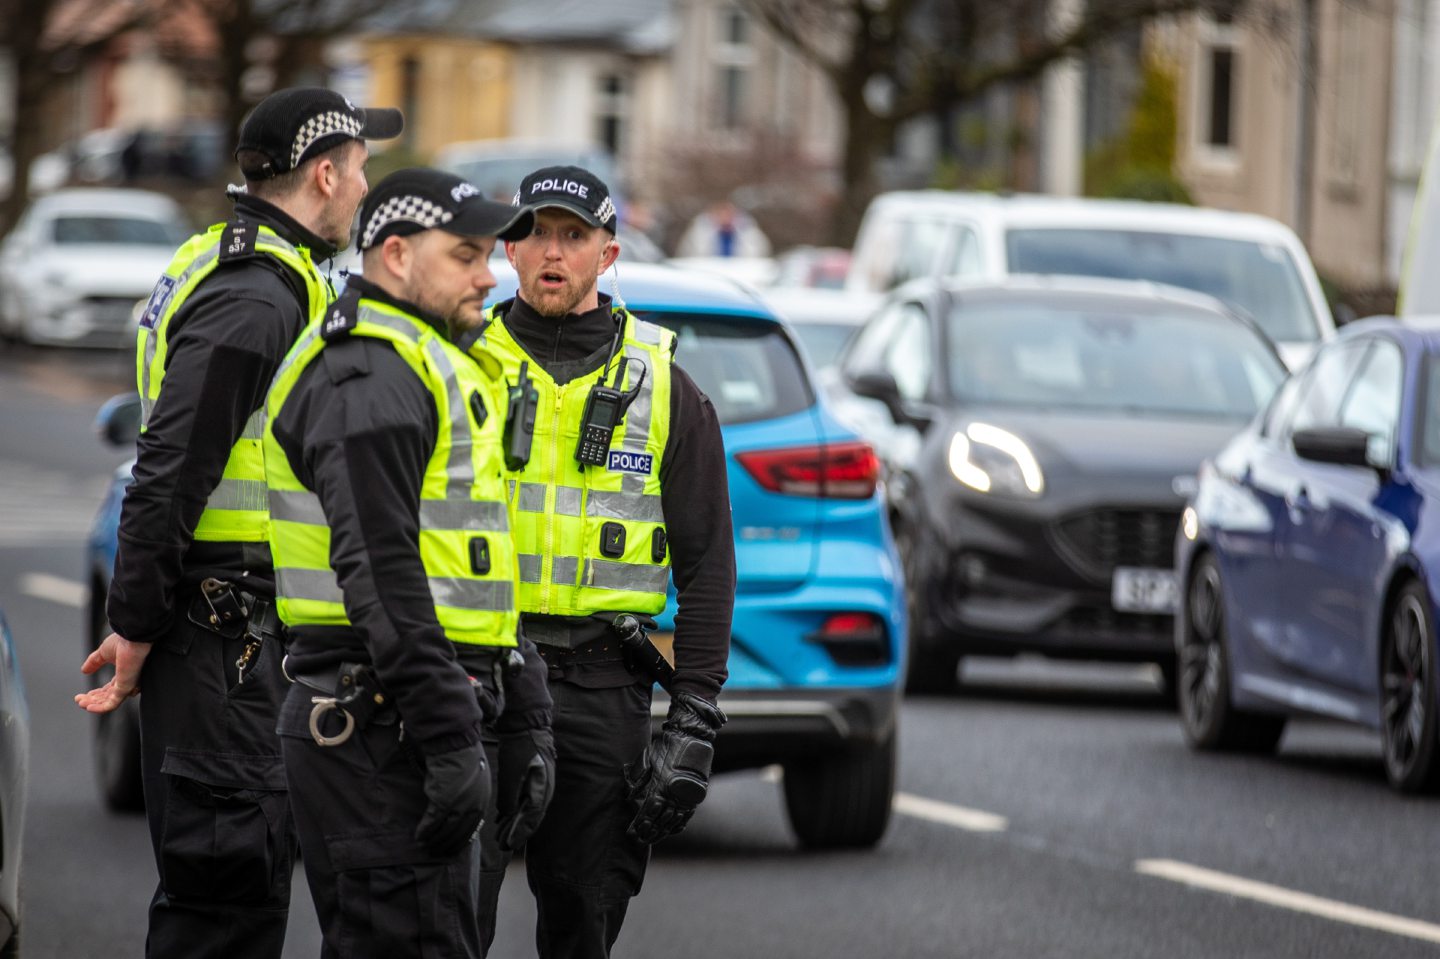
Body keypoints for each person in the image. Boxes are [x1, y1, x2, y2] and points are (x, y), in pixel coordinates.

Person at [74, 87, 402, 958]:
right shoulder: (256, 297)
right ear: (324, 175)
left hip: (236, 639)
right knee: (223, 909)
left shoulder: (244, 265)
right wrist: (136, 622)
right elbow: (169, 469)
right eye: (360, 169)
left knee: (237, 896)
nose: (365, 187)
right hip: (225, 643)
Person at [263, 168, 555, 958]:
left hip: (404, 712)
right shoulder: (368, 374)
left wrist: (522, 702)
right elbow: (384, 576)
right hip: (379, 726)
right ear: (395, 254)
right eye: (465, 255)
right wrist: (452, 736)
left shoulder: (418, 359)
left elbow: (465, 567)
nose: (488, 276)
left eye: (487, 256)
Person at [473, 165, 735, 958]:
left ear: (609, 252)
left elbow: (708, 565)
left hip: (600, 689)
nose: (552, 251)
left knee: (583, 922)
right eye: (535, 233)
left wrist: (694, 713)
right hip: (475, 679)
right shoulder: (460, 364)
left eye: (573, 235)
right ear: (508, 249)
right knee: (444, 919)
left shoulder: (667, 389)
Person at [675, 198, 771, 258]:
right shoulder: (700, 231)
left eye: (728, 214)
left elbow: (760, 251)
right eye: (721, 214)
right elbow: (687, 253)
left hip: (741, 271)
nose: (724, 217)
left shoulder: (748, 231)